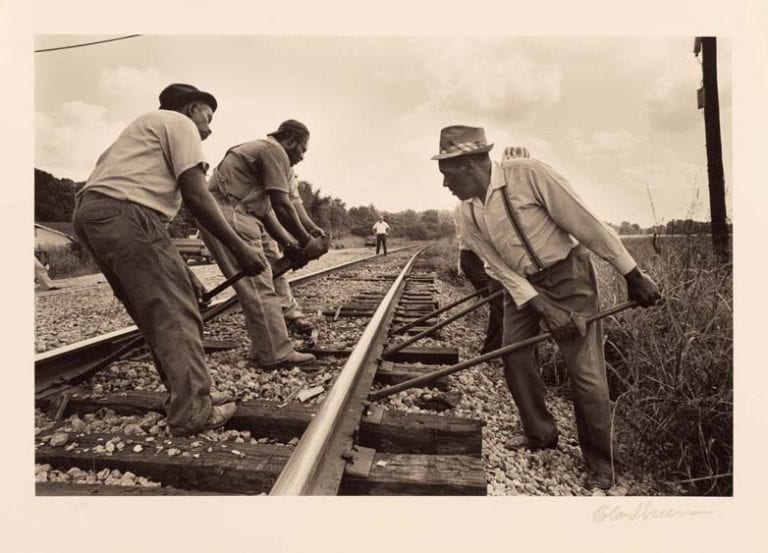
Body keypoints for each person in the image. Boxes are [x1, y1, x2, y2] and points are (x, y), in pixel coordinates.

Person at [432, 125, 661, 490]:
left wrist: (632, 274)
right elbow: (499, 268)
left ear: (470, 164)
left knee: (585, 373)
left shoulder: (529, 174)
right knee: (515, 356)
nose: (445, 183)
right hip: (521, 288)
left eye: (447, 173)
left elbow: (586, 224)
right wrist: (541, 307)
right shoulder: (466, 213)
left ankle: (603, 460)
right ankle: (540, 434)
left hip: (568, 277)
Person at [73, 83, 268, 437]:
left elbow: (134, 212)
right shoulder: (180, 124)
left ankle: (185, 395)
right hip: (129, 214)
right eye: (208, 118)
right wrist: (240, 247)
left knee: (154, 311)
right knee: (176, 312)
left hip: (93, 214)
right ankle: (193, 411)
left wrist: (185, 275)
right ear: (192, 109)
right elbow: (195, 193)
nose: (209, 128)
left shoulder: (137, 131)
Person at [199, 120, 329, 369]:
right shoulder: (273, 152)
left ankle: (268, 347)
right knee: (259, 284)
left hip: (241, 214)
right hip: (231, 214)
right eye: (303, 149)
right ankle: (275, 354)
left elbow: (269, 210)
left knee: (267, 278)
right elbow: (281, 204)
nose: (303, 156)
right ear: (291, 141)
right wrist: (306, 242)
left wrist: (293, 241)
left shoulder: (269, 156)